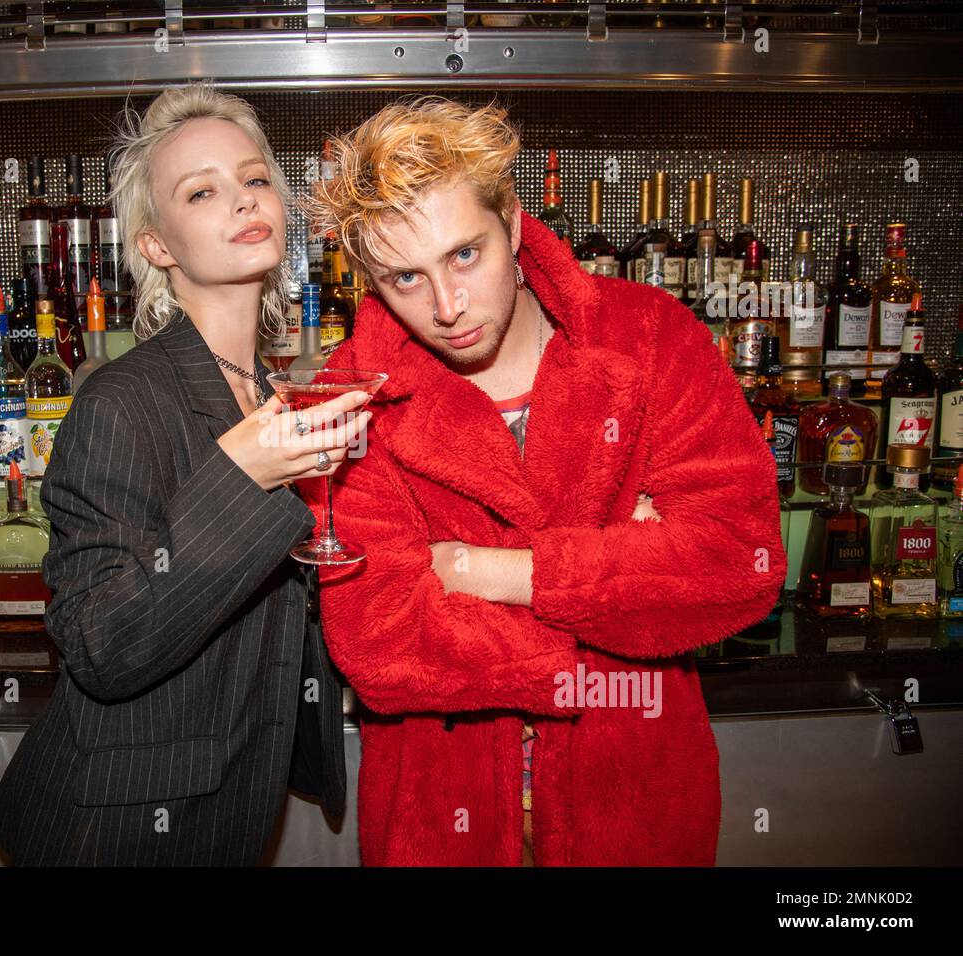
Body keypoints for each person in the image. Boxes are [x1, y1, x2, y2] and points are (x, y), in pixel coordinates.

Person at [303, 97, 786, 866]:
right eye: (405, 277)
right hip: (439, 819)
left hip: (634, 807)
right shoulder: (353, 394)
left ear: (515, 223)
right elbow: (379, 642)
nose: (447, 306)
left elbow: (738, 565)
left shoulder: (650, 337)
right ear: (367, 279)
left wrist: (472, 569)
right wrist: (620, 586)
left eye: (466, 254)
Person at [0, 83, 370, 865]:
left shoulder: (269, 389)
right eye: (202, 191)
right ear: (158, 245)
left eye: (254, 178)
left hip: (228, 799)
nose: (241, 200)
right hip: (117, 827)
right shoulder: (121, 402)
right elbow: (99, 645)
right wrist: (239, 474)